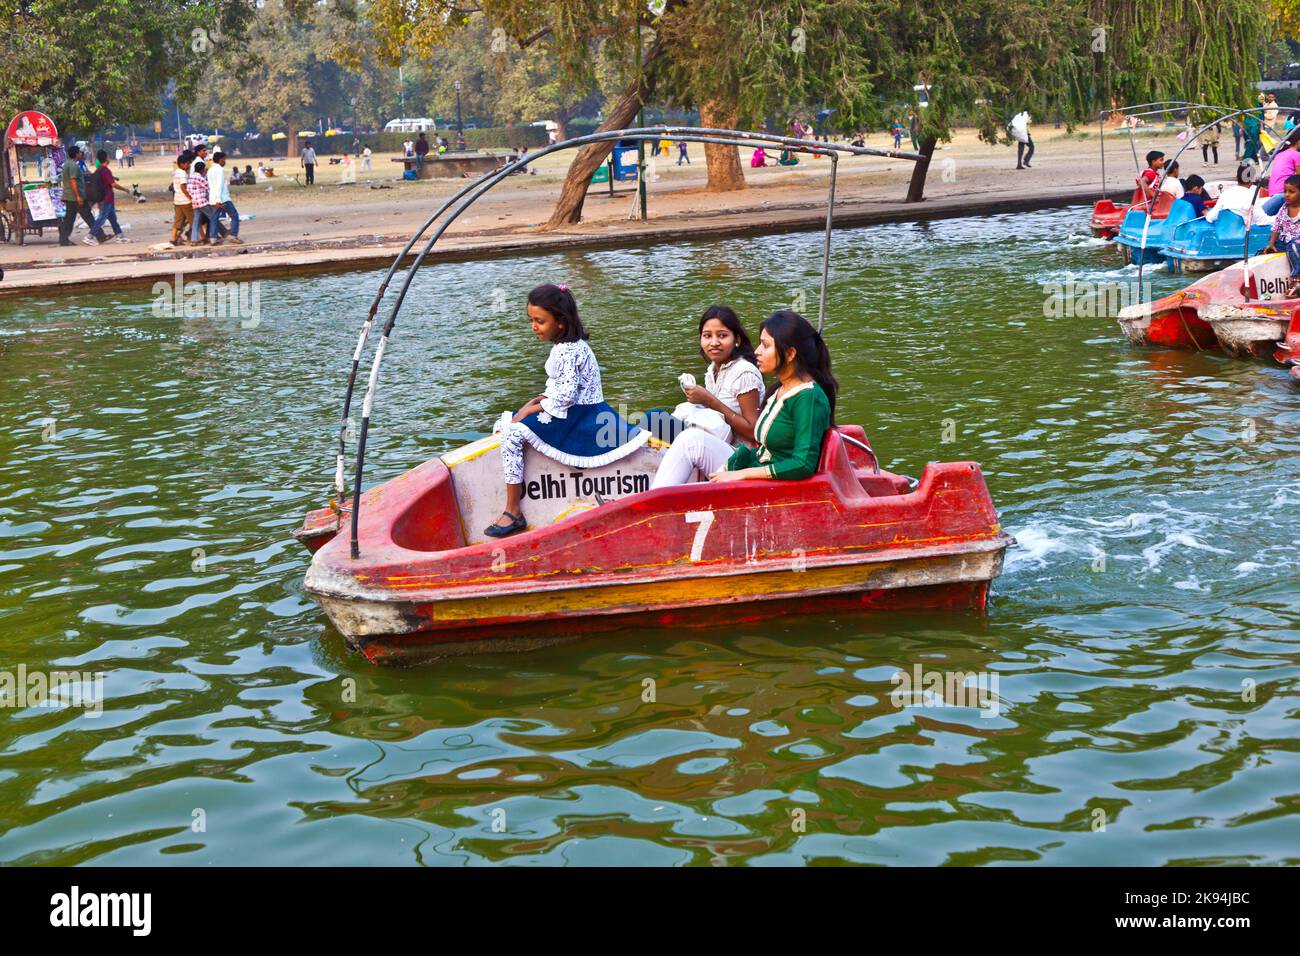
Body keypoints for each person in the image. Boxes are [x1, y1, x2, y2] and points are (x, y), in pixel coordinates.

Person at [486, 284, 649, 538]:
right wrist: (534, 403)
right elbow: (561, 388)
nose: (534, 326)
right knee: (510, 420)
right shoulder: (571, 345)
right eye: (531, 320)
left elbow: (566, 396)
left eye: (540, 321)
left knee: (511, 434)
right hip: (573, 409)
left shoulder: (567, 350)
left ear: (560, 322)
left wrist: (532, 409)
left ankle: (513, 510)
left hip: (578, 416)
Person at [707, 310, 836, 484]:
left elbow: (803, 464)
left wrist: (744, 474)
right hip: (757, 468)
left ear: (790, 354)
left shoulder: (808, 398)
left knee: (691, 443)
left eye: (765, 345)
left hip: (772, 487)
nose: (757, 351)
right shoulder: (780, 389)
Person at [650, 306, 764, 488]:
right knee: (654, 421)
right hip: (717, 440)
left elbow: (753, 432)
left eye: (722, 335)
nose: (714, 342)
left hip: (740, 455)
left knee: (689, 439)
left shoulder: (744, 373)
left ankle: (656, 502)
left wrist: (709, 400)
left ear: (737, 340)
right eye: (707, 335)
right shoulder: (713, 369)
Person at [1263, 174, 1300, 297]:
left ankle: (1297, 281)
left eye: (1292, 192)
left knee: (1294, 245)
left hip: (1297, 244)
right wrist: (1271, 244)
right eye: (1285, 191)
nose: (1287, 195)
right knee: (1263, 251)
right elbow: (1276, 226)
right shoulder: (1284, 208)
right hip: (1286, 242)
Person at [1206, 163, 1275, 224]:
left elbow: (1210, 217)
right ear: (1251, 180)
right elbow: (1261, 221)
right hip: (1245, 231)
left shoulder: (1225, 194)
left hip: (1228, 229)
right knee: (1279, 198)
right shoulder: (1252, 195)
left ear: (1237, 178)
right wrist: (1279, 218)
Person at [87, 149, 130, 244]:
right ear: (106, 158)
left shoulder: (99, 170)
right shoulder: (106, 170)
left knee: (113, 219)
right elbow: (113, 185)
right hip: (107, 198)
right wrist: (125, 189)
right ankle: (90, 236)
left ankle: (120, 236)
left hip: (105, 198)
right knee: (101, 219)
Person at [57, 146, 96, 246]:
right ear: (76, 154)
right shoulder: (73, 166)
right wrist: (78, 196)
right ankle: (100, 235)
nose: (81, 154)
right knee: (88, 216)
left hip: (69, 196)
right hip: (74, 197)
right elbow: (73, 180)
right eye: (79, 153)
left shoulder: (67, 164)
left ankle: (64, 239)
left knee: (69, 219)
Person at [208, 151, 242, 244]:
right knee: (234, 216)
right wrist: (218, 199)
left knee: (214, 218)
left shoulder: (210, 170)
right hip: (222, 198)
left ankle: (213, 238)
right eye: (224, 159)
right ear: (220, 160)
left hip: (212, 198)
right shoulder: (219, 170)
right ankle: (233, 235)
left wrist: (215, 199)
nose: (225, 161)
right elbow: (219, 186)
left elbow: (211, 186)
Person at [189, 159, 218, 245]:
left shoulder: (191, 178)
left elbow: (189, 190)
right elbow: (208, 186)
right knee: (213, 217)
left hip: (195, 202)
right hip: (202, 201)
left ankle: (194, 239)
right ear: (202, 170)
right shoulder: (200, 178)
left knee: (196, 221)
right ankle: (213, 236)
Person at [170, 150, 194, 245]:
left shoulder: (176, 172)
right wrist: (190, 197)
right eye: (187, 163)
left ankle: (173, 238)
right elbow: (183, 187)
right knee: (193, 220)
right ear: (182, 164)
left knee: (178, 221)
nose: (188, 165)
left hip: (177, 200)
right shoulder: (183, 174)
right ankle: (197, 238)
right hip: (185, 201)